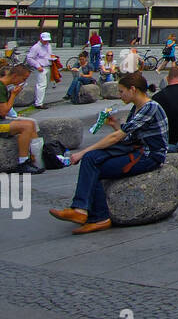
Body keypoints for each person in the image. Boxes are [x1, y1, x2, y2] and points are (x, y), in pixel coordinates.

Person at [48, 71, 167, 235]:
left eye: (121, 91)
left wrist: (82, 152)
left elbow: (117, 138)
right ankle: (85, 212)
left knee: (91, 162)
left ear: (132, 89)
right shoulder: (137, 108)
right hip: (137, 150)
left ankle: (93, 215)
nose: (119, 95)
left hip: (149, 157)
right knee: (92, 162)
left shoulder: (150, 108)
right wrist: (116, 125)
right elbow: (126, 136)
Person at [0, 63, 43, 175]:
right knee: (26, 127)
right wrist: (13, 95)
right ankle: (23, 163)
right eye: (24, 79)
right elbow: (4, 111)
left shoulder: (1, 86)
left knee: (31, 124)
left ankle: (37, 160)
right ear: (15, 76)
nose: (23, 82)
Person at [25, 31, 54, 109]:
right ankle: (38, 103)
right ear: (40, 38)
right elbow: (29, 58)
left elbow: (49, 55)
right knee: (41, 85)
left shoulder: (49, 46)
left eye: (47, 40)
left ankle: (39, 100)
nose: (46, 41)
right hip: (41, 67)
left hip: (48, 66)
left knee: (46, 85)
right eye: (45, 40)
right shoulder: (36, 47)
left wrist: (53, 59)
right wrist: (37, 65)